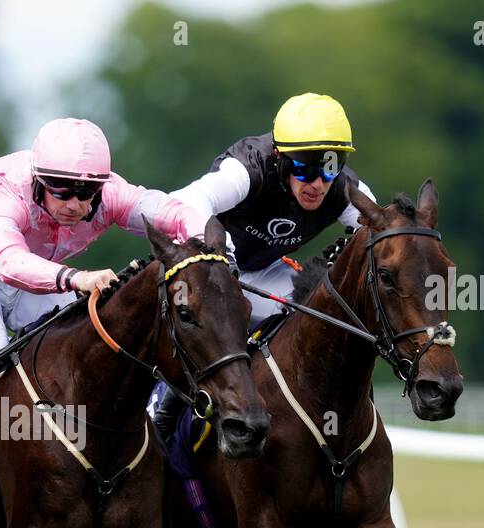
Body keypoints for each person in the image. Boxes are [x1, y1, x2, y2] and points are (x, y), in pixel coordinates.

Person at [0, 117, 209, 463]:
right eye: (62, 190)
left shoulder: (110, 193)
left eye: (87, 193)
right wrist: (75, 278)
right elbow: (8, 259)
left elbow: (171, 213)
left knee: (79, 349)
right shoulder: (4, 190)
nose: (75, 204)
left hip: (44, 275)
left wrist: (210, 248)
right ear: (39, 181)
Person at [152, 92, 380, 439]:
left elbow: (379, 230)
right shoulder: (248, 166)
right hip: (208, 277)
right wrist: (222, 251)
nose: (317, 184)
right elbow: (182, 200)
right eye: (304, 169)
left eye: (330, 168)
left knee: (316, 315)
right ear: (280, 157)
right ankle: (164, 413)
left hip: (261, 273)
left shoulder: (344, 187)